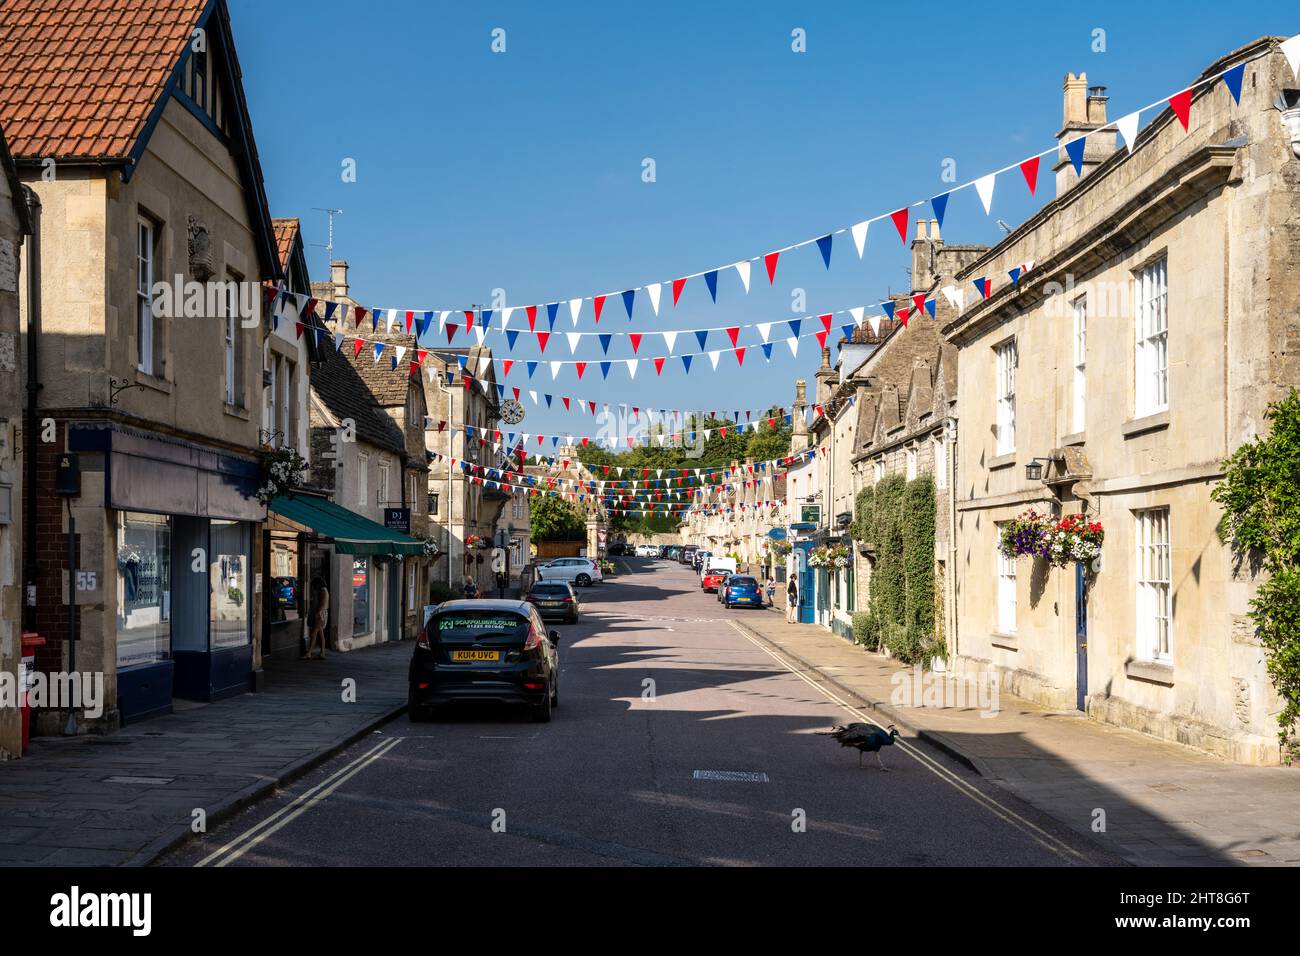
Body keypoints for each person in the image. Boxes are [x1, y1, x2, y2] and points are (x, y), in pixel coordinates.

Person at [303, 576, 329, 660]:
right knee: (320, 634)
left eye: (314, 584)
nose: (313, 586)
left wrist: (317, 613)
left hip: (320, 614)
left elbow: (322, 603)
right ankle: (322, 653)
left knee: (313, 634)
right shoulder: (323, 590)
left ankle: (309, 653)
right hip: (321, 613)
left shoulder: (322, 591)